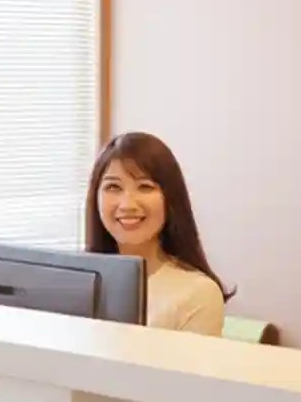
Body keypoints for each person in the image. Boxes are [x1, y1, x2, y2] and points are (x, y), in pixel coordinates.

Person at [86, 132, 232, 336]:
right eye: (113, 187)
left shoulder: (199, 293)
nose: (127, 204)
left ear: (170, 199)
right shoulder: (80, 280)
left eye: (145, 187)